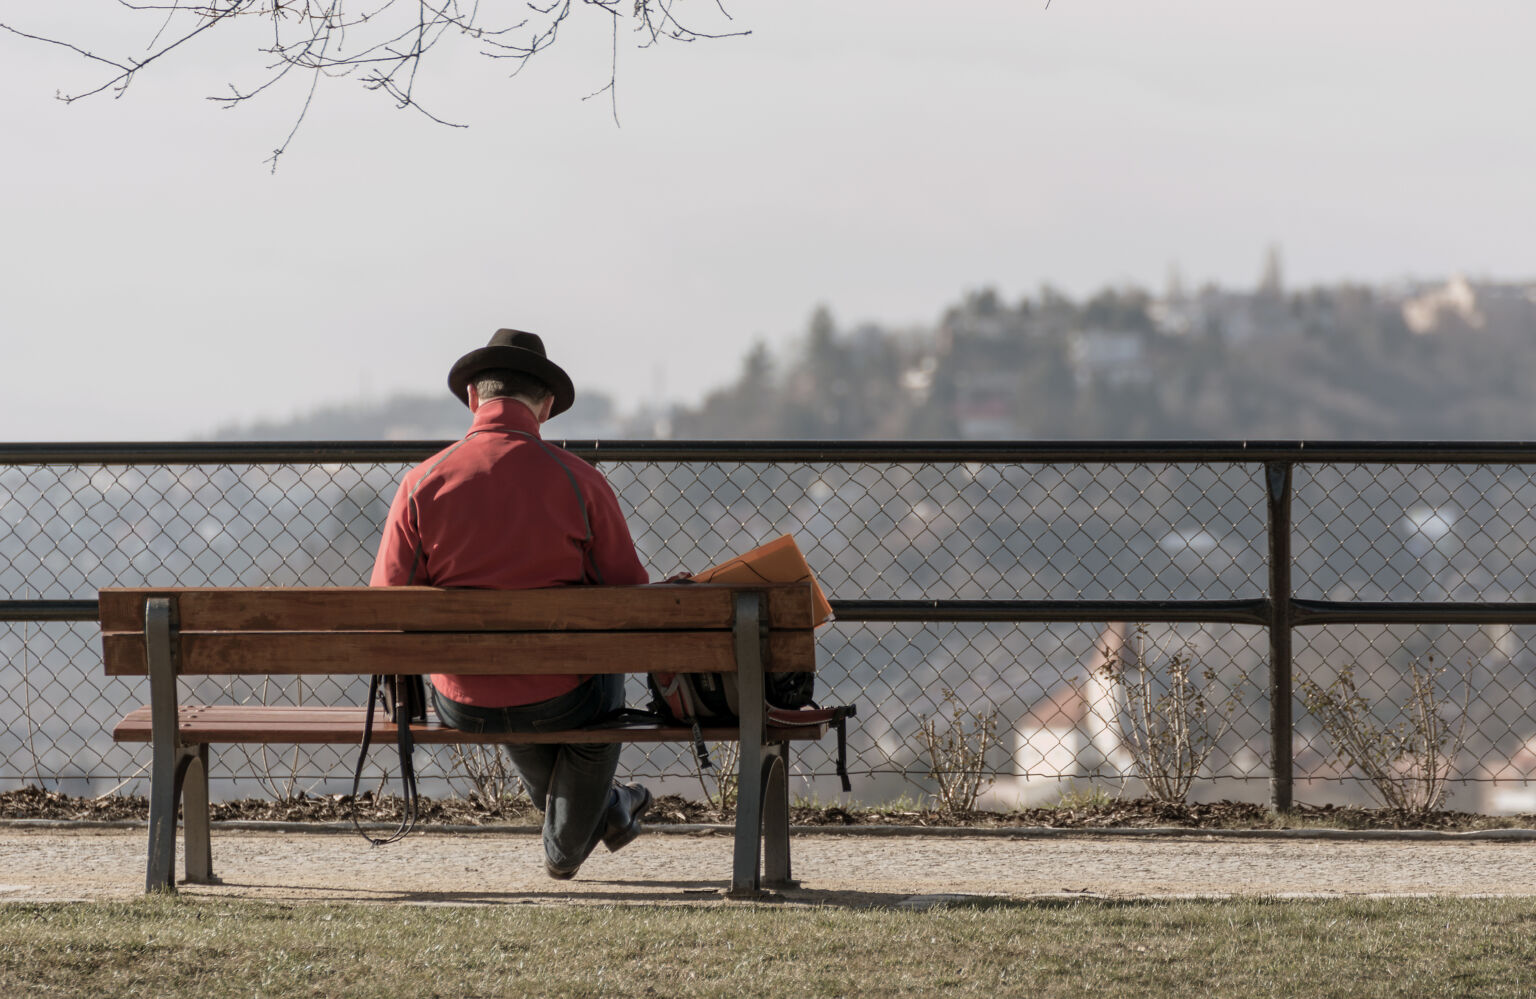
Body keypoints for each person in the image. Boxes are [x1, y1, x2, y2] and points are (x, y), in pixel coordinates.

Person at [370, 328, 653, 879]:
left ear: (473, 397)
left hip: (461, 701)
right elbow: (627, 595)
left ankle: (613, 808)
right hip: (564, 697)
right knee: (595, 681)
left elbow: (388, 604)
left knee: (513, 688)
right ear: (545, 407)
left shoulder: (420, 484)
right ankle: (580, 835)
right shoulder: (581, 482)